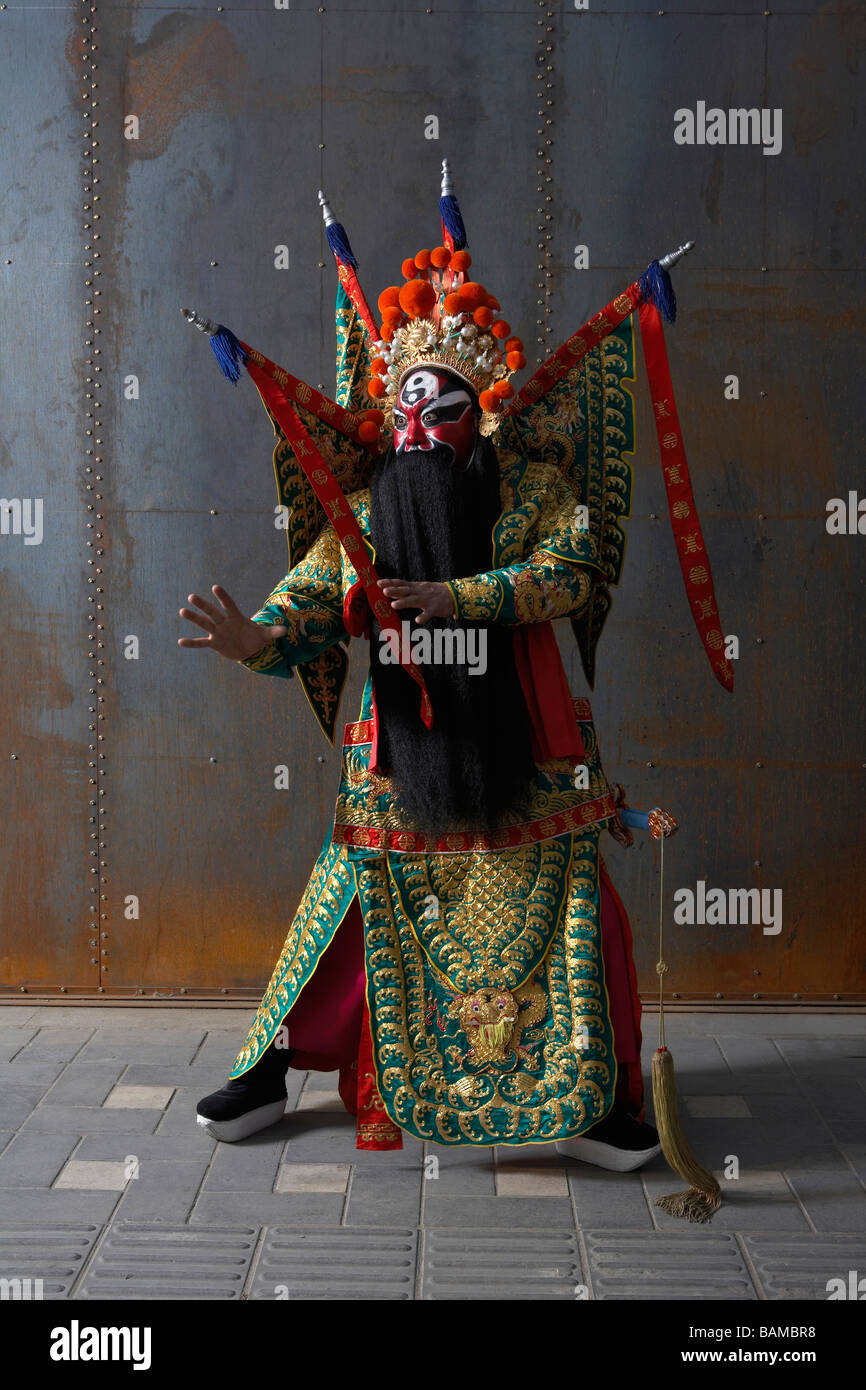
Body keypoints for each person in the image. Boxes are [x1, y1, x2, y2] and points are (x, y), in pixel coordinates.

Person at [179, 210, 662, 1171]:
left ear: (479, 413)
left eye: (435, 410)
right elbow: (313, 597)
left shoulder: (534, 492)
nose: (410, 429)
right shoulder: (364, 507)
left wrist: (456, 597)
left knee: (577, 908)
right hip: (400, 745)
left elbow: (570, 572)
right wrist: (260, 638)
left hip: (526, 735)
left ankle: (600, 1094)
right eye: (400, 410)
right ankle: (274, 1063)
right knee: (353, 898)